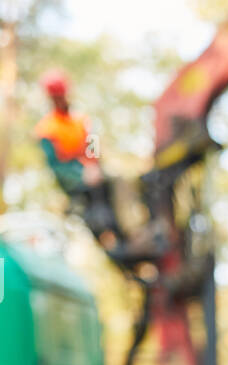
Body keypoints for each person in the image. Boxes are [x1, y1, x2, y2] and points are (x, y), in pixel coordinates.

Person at [34, 69, 152, 261]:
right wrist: (81, 175)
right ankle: (123, 234)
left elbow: (92, 145)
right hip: (74, 181)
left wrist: (93, 165)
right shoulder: (46, 129)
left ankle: (135, 229)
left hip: (92, 171)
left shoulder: (81, 120)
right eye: (56, 97)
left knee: (122, 179)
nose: (61, 99)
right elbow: (56, 167)